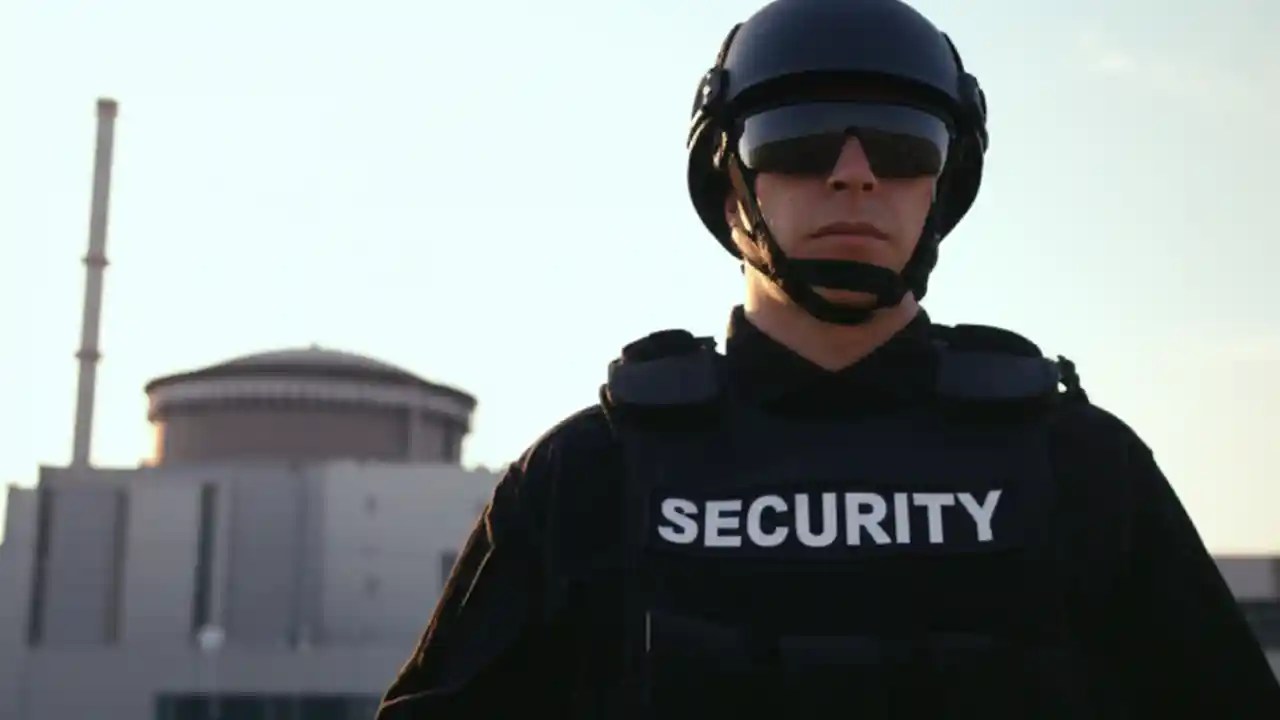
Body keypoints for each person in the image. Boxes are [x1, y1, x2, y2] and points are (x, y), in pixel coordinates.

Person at [375, 0, 1280, 717]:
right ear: (732, 190)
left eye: (899, 146)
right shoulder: (588, 476)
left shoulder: (1081, 467)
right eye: (799, 142)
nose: (854, 175)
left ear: (940, 191)